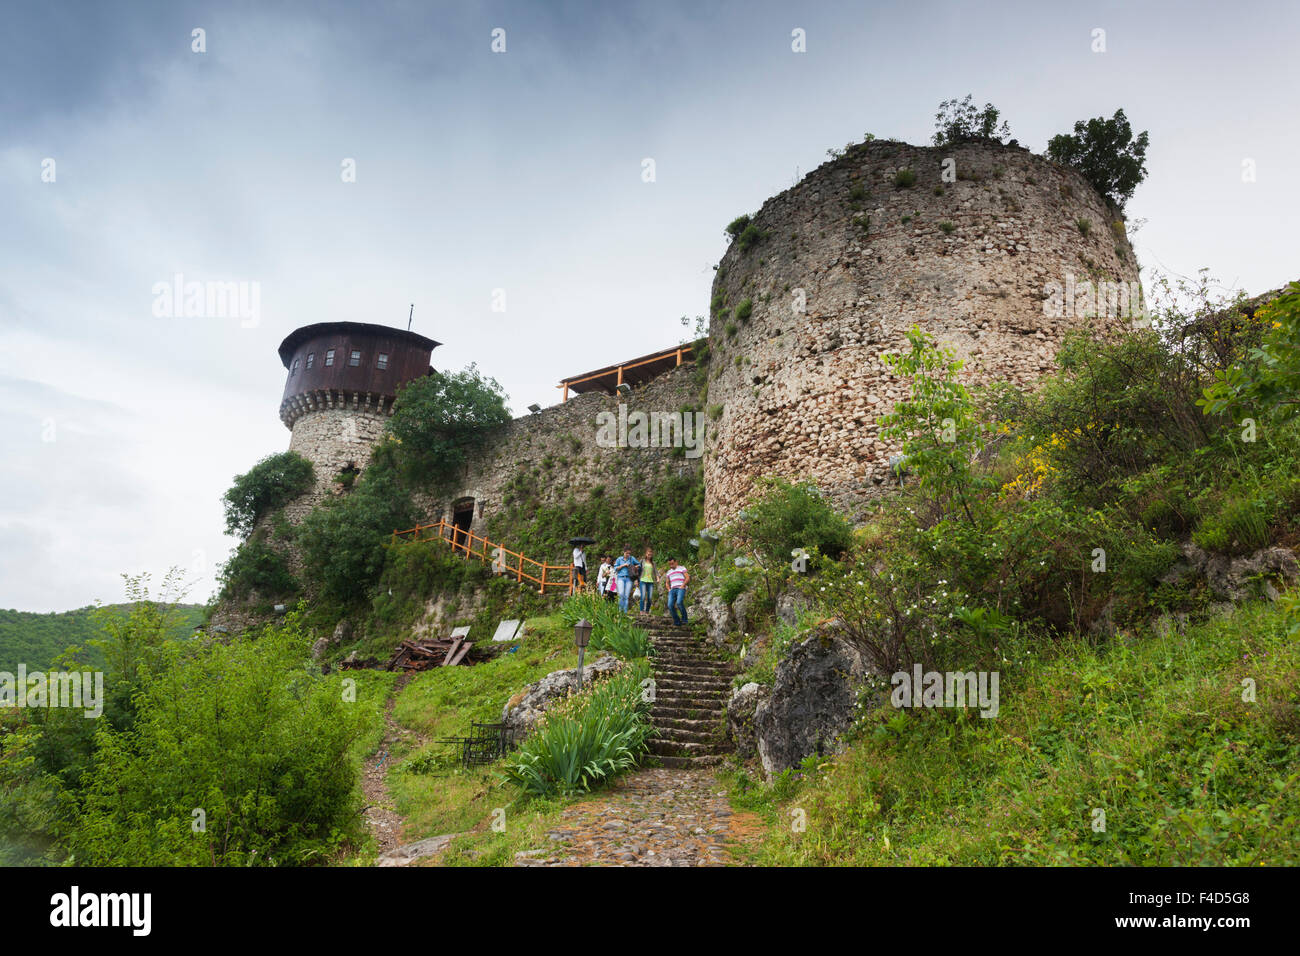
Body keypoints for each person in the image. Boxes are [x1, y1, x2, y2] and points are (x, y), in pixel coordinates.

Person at [612, 546, 641, 613]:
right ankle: (620, 611)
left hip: (629, 578)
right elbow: (615, 568)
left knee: (626, 595)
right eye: (627, 553)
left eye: (629, 553)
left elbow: (639, 565)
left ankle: (625, 612)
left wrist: (633, 566)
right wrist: (623, 565)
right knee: (621, 594)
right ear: (624, 552)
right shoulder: (619, 559)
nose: (628, 555)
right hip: (621, 578)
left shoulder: (632, 558)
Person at [665, 557, 690, 626]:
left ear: (676, 562)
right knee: (670, 605)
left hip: (680, 588)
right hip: (672, 590)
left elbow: (687, 578)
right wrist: (669, 589)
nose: (671, 565)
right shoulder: (669, 572)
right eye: (669, 564)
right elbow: (667, 583)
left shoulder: (682, 568)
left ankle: (684, 619)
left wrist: (682, 585)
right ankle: (677, 621)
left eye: (672, 563)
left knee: (679, 603)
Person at [638, 547, 657, 613]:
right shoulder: (642, 561)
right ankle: (641, 611)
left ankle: (647, 611)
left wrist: (658, 577)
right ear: (646, 554)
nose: (649, 556)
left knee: (650, 598)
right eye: (648, 554)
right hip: (642, 580)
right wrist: (636, 580)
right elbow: (638, 570)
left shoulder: (653, 563)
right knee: (643, 596)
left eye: (650, 555)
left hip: (650, 581)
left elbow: (656, 571)